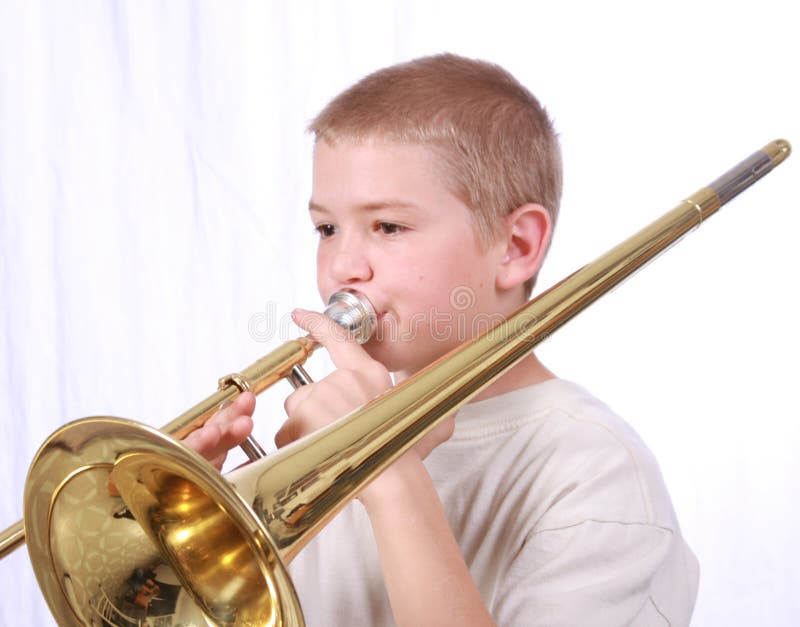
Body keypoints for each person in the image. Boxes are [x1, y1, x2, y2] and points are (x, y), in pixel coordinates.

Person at [184, 53, 699, 626]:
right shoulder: (314, 447)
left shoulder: (597, 475)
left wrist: (387, 471)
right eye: (327, 228)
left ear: (516, 247)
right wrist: (201, 540)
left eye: (388, 226)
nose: (342, 266)